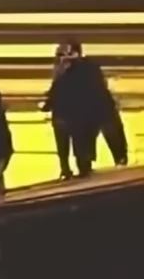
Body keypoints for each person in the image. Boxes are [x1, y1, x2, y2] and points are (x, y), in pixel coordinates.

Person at [43, 40, 127, 179]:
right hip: (74, 114)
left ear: (76, 53)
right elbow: (56, 90)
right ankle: (73, 168)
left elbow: (89, 90)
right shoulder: (63, 69)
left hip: (87, 113)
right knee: (78, 143)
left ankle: (113, 162)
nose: (61, 57)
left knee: (98, 138)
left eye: (65, 53)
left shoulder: (84, 68)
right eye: (59, 54)